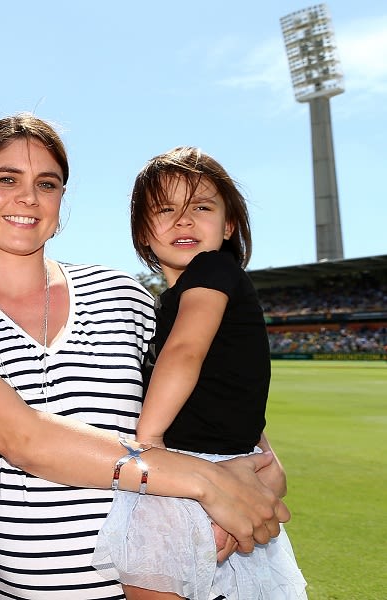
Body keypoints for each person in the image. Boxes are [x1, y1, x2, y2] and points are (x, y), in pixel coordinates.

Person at [0, 115, 289, 599]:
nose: (28, 197)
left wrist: (260, 469)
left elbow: (208, 392)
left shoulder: (123, 294)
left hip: (170, 584)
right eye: (6, 179)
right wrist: (209, 482)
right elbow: (23, 438)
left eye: (47, 183)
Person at [92, 147, 308, 599]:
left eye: (202, 207)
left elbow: (186, 352)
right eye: (165, 209)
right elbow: (230, 378)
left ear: (228, 225)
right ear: (143, 231)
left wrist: (147, 444)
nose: (184, 220)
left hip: (195, 469)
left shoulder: (212, 271)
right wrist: (264, 453)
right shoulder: (175, 298)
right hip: (225, 466)